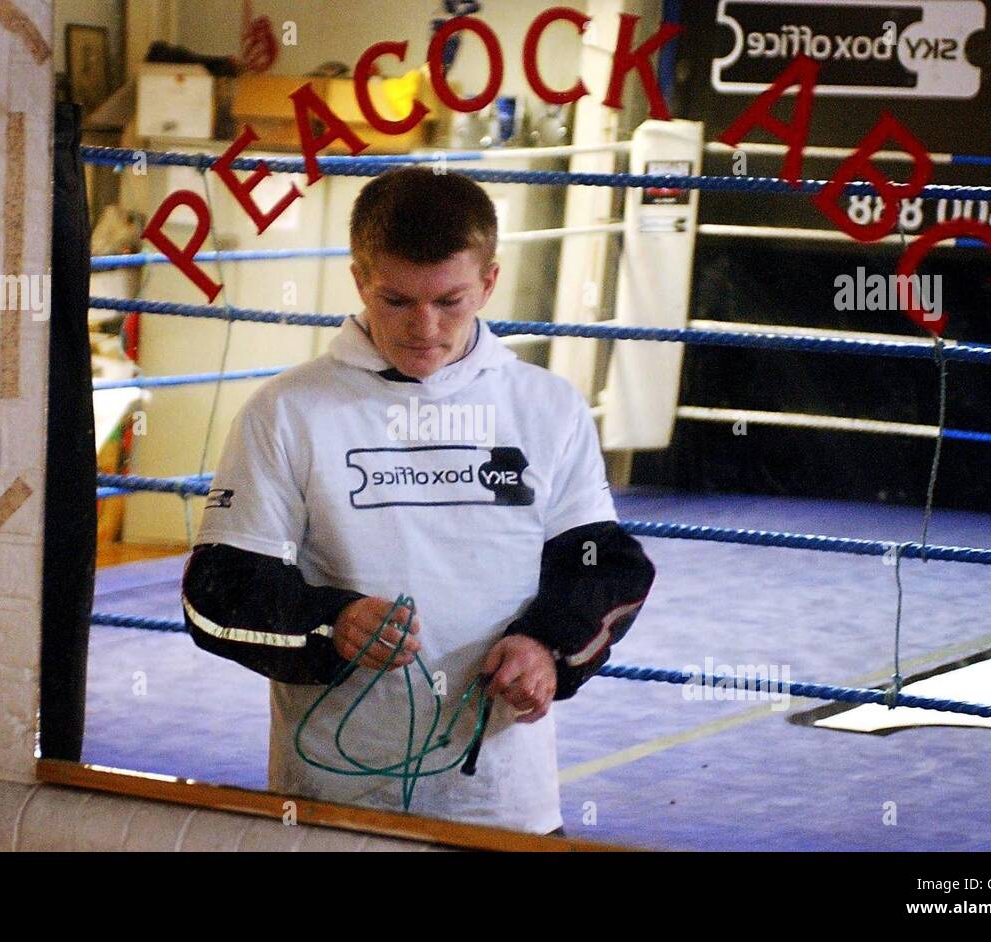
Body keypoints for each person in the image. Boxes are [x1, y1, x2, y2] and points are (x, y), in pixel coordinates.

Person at [181, 167, 656, 835]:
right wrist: (328, 621)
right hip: (329, 799)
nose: (424, 328)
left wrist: (547, 648)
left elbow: (603, 567)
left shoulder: (545, 407)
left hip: (500, 802)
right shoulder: (286, 411)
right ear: (358, 281)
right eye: (396, 300)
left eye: (451, 301)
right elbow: (217, 591)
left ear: (488, 283)